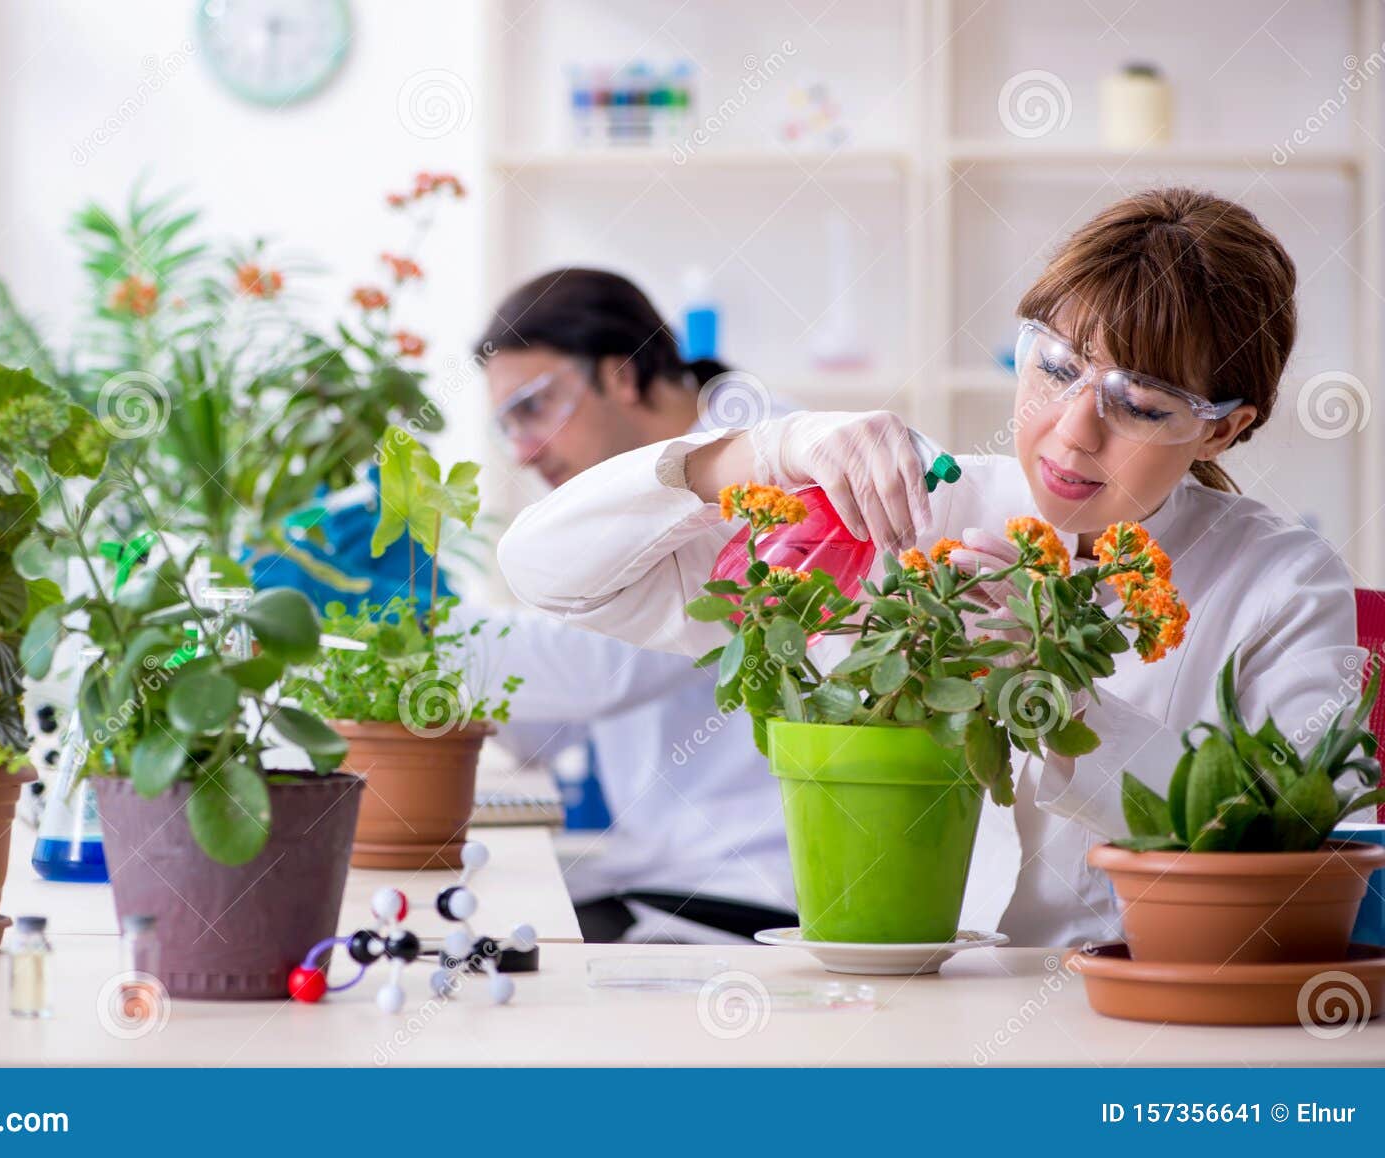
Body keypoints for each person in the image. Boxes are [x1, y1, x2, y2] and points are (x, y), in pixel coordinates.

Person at [498, 188, 1365, 949]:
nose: (1072, 431)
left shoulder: (1282, 584)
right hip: (886, 990)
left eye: (1138, 406)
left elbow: (1296, 854)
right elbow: (549, 570)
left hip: (1128, 1023)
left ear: (1219, 427)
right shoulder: (915, 512)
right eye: (1055, 369)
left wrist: (1051, 692)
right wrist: (760, 451)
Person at [258, 268, 796, 942]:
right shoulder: (625, 502)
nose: (524, 449)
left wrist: (406, 619)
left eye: (534, 407)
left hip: (754, 897)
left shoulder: (760, 469)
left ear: (623, 374)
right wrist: (435, 618)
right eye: (507, 425)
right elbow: (551, 727)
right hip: (667, 880)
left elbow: (606, 667)